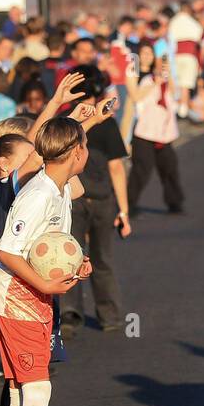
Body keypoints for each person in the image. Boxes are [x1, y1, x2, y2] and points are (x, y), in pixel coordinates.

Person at [0, 116, 94, 406]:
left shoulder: (60, 188)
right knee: (36, 391)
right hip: (19, 298)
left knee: (19, 391)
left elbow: (49, 246)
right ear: (76, 152)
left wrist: (75, 263)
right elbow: (8, 251)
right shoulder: (38, 194)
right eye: (84, 145)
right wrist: (46, 287)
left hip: (32, 296)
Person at [62, 67, 131, 338]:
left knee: (70, 257)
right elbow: (116, 168)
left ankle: (69, 314)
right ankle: (109, 314)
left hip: (73, 198)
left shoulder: (66, 122)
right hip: (102, 199)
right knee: (103, 258)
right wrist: (123, 210)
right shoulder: (107, 121)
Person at [128, 54, 185, 216]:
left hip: (164, 133)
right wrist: (155, 83)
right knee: (141, 171)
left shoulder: (168, 83)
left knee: (170, 167)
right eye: (160, 65)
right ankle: (128, 204)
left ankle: (175, 201)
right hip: (145, 133)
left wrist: (169, 76)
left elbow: (175, 95)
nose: (162, 68)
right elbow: (137, 97)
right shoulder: (147, 81)